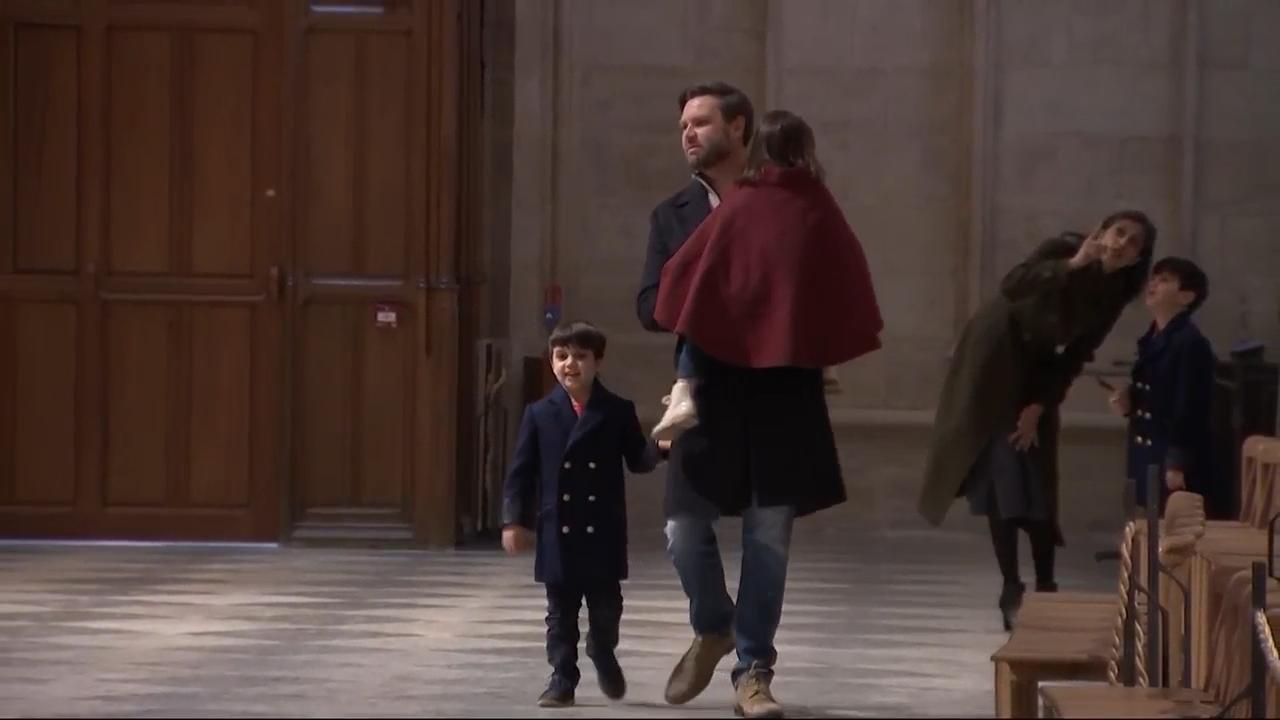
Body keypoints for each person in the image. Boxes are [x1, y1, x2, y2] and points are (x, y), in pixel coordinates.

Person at [636, 83, 856, 720]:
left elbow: (832, 278)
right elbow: (649, 306)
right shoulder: (672, 214)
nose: (687, 133)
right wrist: (714, 283)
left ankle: (754, 672)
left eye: (701, 122)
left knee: (768, 539)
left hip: (782, 392)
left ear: (739, 128)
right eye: (683, 124)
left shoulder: (792, 200)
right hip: (705, 394)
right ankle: (715, 625)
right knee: (682, 530)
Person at [917, 211, 1156, 631]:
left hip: (1037, 369)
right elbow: (1013, 285)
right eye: (1119, 232)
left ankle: (1047, 583)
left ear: (1138, 258)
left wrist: (1040, 405)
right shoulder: (1062, 250)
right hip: (994, 359)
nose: (1122, 243)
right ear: (1102, 232)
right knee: (1002, 472)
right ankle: (1012, 584)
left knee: (1038, 475)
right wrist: (1074, 264)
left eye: (1134, 242)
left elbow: (1077, 353)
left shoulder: (1114, 293)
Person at [650, 110, 882, 442]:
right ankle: (826, 365)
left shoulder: (745, 198)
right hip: (796, 344)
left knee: (699, 305)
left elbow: (696, 259)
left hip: (735, 339)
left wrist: (679, 284)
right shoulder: (816, 198)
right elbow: (845, 260)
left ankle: (684, 389)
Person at [501, 321, 661, 708]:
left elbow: (638, 460)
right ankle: (562, 679)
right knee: (560, 613)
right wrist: (513, 520)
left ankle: (602, 649)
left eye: (580, 356)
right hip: (558, 528)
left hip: (602, 528)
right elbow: (521, 473)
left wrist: (663, 444)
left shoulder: (617, 410)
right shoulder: (539, 413)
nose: (570, 364)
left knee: (607, 608)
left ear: (598, 361)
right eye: (562, 356)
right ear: (551, 361)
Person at [1108, 257, 1219, 516]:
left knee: (1170, 526)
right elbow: (1153, 394)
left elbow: (1191, 406)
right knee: (1145, 521)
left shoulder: (1190, 342)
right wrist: (1128, 403)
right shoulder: (1152, 338)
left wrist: (1177, 461)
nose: (1154, 284)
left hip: (1169, 454)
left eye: (1165, 280)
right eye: (1153, 278)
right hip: (1146, 450)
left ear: (1186, 297)